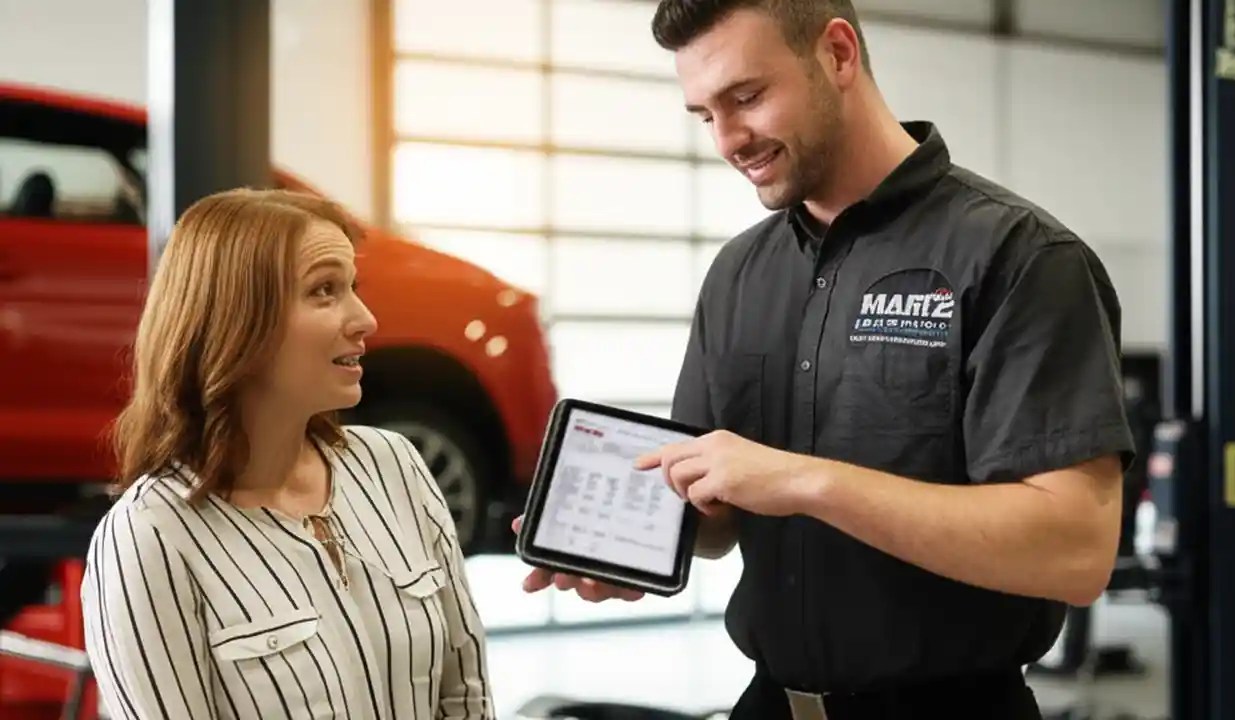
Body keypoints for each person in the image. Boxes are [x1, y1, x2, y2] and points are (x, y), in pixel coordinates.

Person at [516, 1, 1135, 718]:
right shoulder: (738, 274)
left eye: (746, 97)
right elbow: (716, 513)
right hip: (770, 704)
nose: (727, 140)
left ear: (838, 55)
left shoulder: (1020, 259)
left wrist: (807, 481)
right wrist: (630, 545)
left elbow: (1075, 551)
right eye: (704, 114)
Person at [81, 188, 494, 719]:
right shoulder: (149, 538)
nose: (364, 318)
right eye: (324, 291)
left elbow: (467, 698)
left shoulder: (397, 467)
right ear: (236, 320)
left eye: (352, 287)